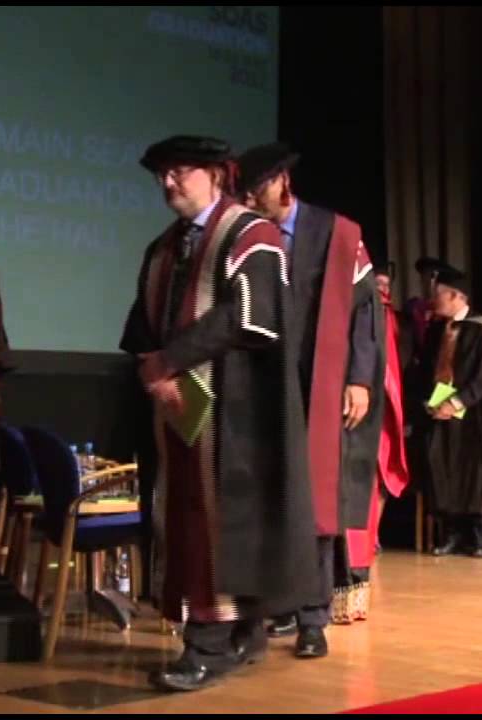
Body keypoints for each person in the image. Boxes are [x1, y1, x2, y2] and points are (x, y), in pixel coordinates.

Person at [120, 135, 317, 692]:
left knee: (221, 522)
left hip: (239, 409)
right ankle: (239, 636)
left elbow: (250, 318)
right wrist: (151, 367)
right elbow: (142, 323)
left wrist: (170, 360)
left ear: (216, 175)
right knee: (187, 517)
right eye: (161, 175)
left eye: (180, 172)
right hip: (182, 404)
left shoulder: (251, 234)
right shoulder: (164, 246)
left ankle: (211, 642)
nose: (168, 184)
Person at [235, 142, 385, 659]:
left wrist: (360, 378)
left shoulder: (337, 234)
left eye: (256, 191)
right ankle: (274, 607)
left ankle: (313, 619)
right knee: (270, 497)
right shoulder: (248, 235)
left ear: (281, 183)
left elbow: (366, 314)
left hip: (321, 385)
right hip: (264, 385)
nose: (250, 202)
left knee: (317, 501)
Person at [415, 265, 482, 557]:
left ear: (457, 296)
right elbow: (424, 371)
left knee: (474, 471)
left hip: (474, 417)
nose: (434, 300)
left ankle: (479, 536)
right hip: (440, 413)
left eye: (440, 294)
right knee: (442, 468)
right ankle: (450, 533)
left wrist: (455, 403)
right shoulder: (436, 330)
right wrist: (427, 401)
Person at [335, 265, 409, 622]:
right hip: (327, 413)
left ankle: (349, 590)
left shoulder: (377, 313)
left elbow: (386, 369)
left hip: (360, 414)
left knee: (356, 491)